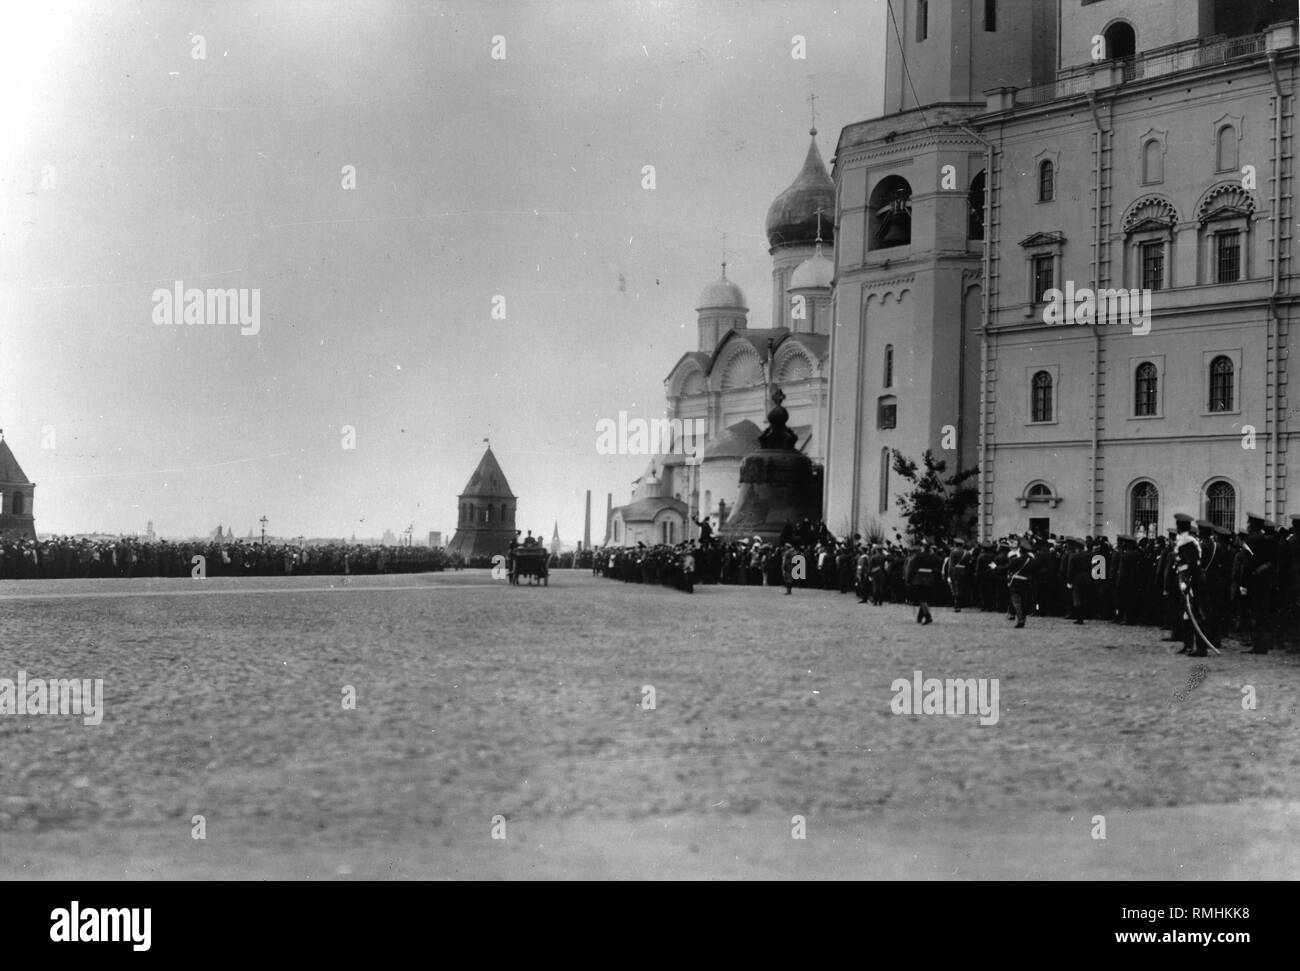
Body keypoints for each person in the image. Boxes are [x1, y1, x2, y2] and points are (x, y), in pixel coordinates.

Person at [905, 541, 939, 624]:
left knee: (921, 598)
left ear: (923, 547)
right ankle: (920, 617)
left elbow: (912, 568)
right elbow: (937, 567)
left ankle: (928, 616)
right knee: (925, 598)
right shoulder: (934, 556)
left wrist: (909, 579)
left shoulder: (919, 556)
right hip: (930, 578)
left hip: (919, 579)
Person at [1007, 535, 1036, 628]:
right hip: (1026, 583)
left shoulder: (1017, 560)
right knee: (1024, 602)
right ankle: (1023, 619)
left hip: (1016, 583)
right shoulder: (1032, 561)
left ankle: (1020, 619)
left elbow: (1007, 568)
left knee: (1016, 602)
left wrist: (995, 567)